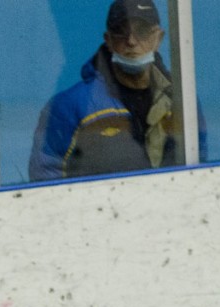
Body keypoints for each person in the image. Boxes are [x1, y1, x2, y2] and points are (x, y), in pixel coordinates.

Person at [29, 0, 206, 181]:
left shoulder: (182, 100)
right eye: (121, 31)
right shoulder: (68, 106)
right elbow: (44, 178)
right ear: (109, 41)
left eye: (142, 30)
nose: (131, 41)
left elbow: (199, 166)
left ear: (158, 38)